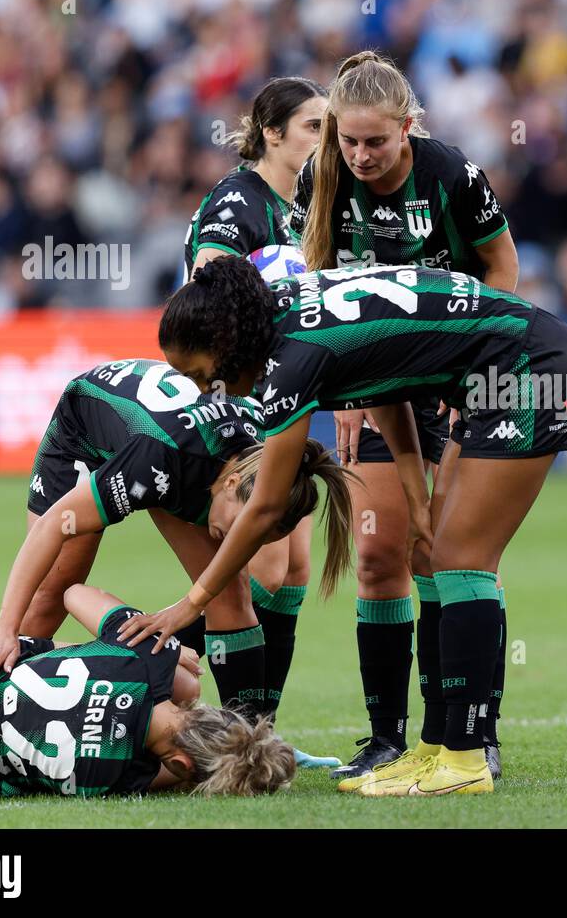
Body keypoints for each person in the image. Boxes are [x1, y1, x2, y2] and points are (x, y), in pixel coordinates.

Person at [119, 255, 567, 797]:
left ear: (226, 340)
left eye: (201, 373)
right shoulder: (288, 314)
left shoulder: (289, 360)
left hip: (532, 369)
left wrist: (194, 600)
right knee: (436, 554)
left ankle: (465, 760)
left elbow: (268, 505)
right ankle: (436, 749)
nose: (207, 390)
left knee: (462, 558)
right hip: (503, 370)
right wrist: (416, 493)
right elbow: (385, 379)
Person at [292, 51, 519, 782]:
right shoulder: (320, 178)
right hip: (378, 376)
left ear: (408, 128)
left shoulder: (452, 174)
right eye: (348, 141)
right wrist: (348, 391)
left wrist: (477, 366)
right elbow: (322, 282)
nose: (360, 156)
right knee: (383, 552)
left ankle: (463, 731)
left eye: (376, 142)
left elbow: (503, 266)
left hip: (461, 370)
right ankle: (388, 736)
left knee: (450, 553)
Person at [0, 358, 352, 748]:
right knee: (49, 597)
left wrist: (184, 616)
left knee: (232, 592)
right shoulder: (161, 460)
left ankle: (246, 746)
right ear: (232, 483)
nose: (238, 542)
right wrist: (4, 629)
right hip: (86, 434)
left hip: (181, 455)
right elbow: (53, 525)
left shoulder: (262, 459)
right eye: (239, 529)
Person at [183, 77, 329, 718]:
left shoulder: (306, 205)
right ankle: (177, 679)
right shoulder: (236, 202)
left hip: (277, 394)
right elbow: (206, 297)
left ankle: (259, 728)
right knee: (264, 568)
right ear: (272, 133)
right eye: (313, 128)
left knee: (292, 568)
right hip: (230, 397)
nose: (325, 142)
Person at [0, 582, 296, 797]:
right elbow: (171, 770)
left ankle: (95, 659)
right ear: (180, 763)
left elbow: (75, 593)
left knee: (184, 679)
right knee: (180, 682)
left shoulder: (147, 658)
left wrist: (158, 643)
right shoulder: (121, 775)